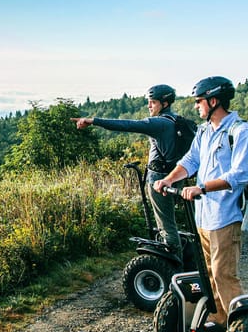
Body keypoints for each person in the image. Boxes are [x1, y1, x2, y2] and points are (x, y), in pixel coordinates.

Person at [152, 76, 248, 332]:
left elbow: (240, 175)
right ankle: (220, 320)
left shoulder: (242, 132)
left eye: (199, 101)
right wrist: (167, 179)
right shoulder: (204, 131)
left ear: (213, 101)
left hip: (226, 216)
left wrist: (202, 188)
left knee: (225, 276)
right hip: (203, 216)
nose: (196, 106)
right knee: (209, 274)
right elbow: (190, 161)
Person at [71, 84, 185, 255]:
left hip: (159, 180)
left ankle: (174, 267)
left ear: (165, 103)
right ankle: (179, 261)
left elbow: (127, 125)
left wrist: (93, 121)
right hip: (174, 177)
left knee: (166, 227)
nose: (149, 106)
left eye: (152, 102)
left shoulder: (159, 123)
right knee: (170, 222)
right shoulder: (176, 120)